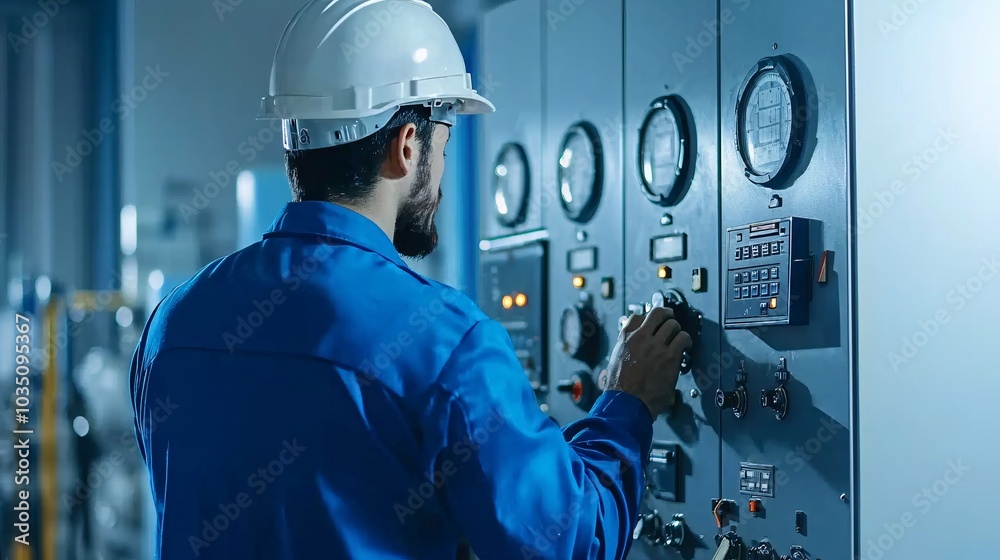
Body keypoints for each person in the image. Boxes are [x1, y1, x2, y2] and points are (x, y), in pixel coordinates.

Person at [129, 1, 692, 559]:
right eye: (442, 146)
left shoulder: (172, 325)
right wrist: (627, 402)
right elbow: (574, 542)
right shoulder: (445, 341)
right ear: (405, 146)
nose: (441, 180)